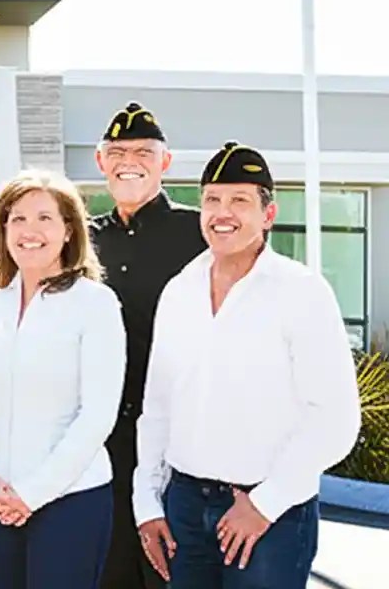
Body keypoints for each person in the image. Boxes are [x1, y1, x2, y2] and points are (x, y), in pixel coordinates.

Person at [133, 142, 361, 589]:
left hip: (268, 515)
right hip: (183, 507)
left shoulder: (302, 292)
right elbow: (158, 407)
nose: (223, 212)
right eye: (213, 200)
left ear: (269, 214)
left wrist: (264, 504)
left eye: (240, 200)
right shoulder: (179, 291)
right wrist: (148, 505)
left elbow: (336, 419)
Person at [0, 169, 126, 589]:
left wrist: (31, 495)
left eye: (44, 218)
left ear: (69, 231)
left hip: (71, 501)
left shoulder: (95, 304)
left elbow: (97, 416)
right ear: (3, 230)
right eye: (18, 219)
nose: (30, 231)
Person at [87, 102, 205, 589]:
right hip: (101, 441)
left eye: (142, 151)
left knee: (170, 573)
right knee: (108, 572)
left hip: (177, 442)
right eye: (116, 151)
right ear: (100, 162)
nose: (127, 160)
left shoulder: (198, 234)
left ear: (165, 162)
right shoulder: (83, 240)